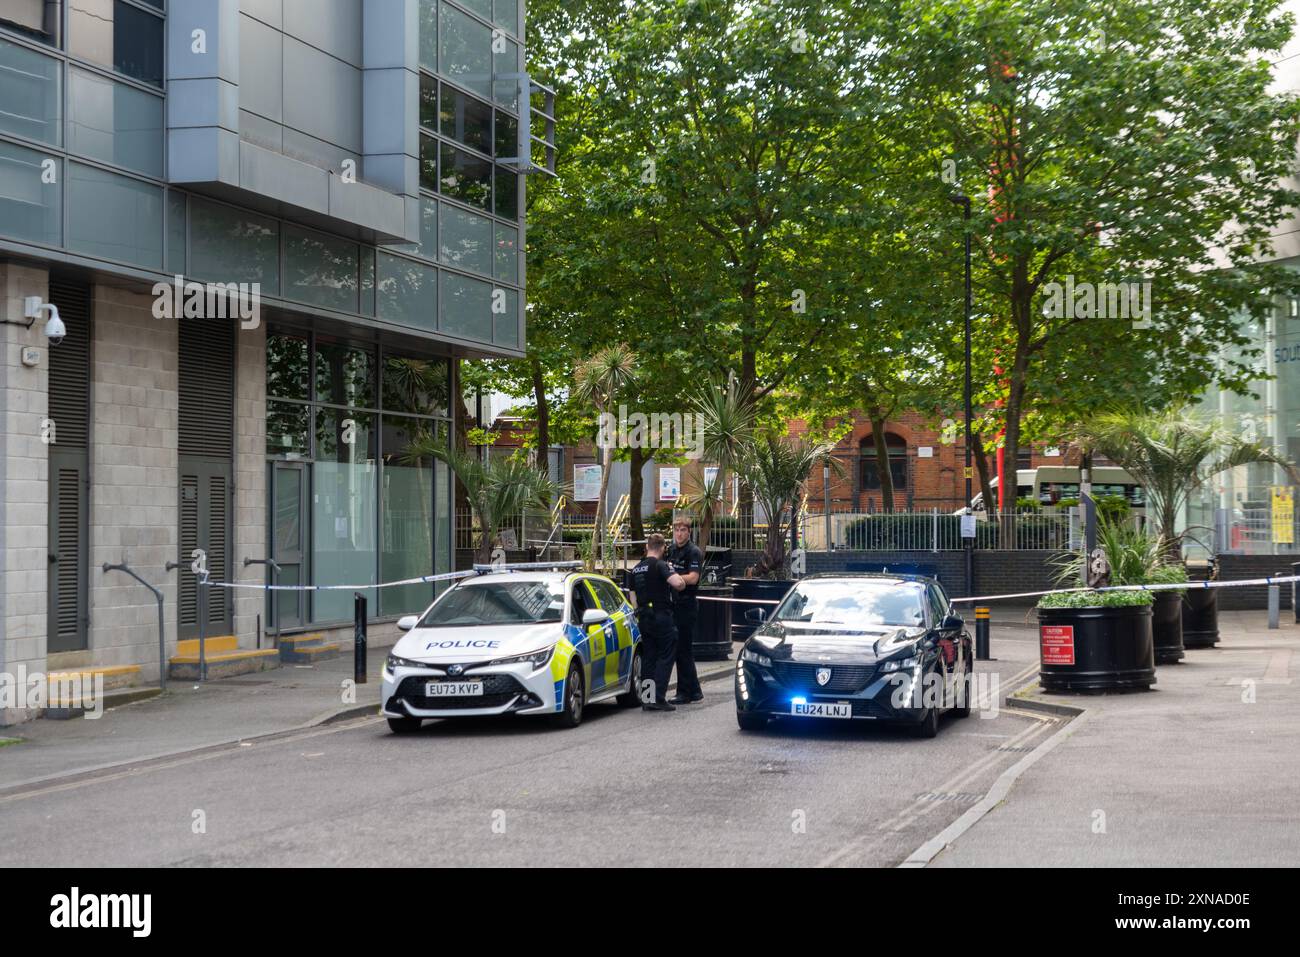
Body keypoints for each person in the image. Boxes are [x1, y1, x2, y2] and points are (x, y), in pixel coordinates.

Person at [630, 533, 685, 712]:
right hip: (662, 616)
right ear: (662, 548)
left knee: (649, 657)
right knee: (666, 655)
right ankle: (659, 697)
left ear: (647, 547)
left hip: (644, 618)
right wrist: (675, 573)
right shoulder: (661, 565)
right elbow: (678, 584)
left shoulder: (635, 569)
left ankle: (648, 698)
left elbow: (633, 599)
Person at [666, 516, 705, 704]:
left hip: (687, 604)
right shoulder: (671, 550)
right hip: (674, 603)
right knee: (682, 649)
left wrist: (674, 577)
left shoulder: (694, 552)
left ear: (689, 532)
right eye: (676, 530)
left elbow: (693, 577)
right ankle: (695, 691)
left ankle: (684, 692)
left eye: (683, 530)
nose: (679, 534)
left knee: (683, 649)